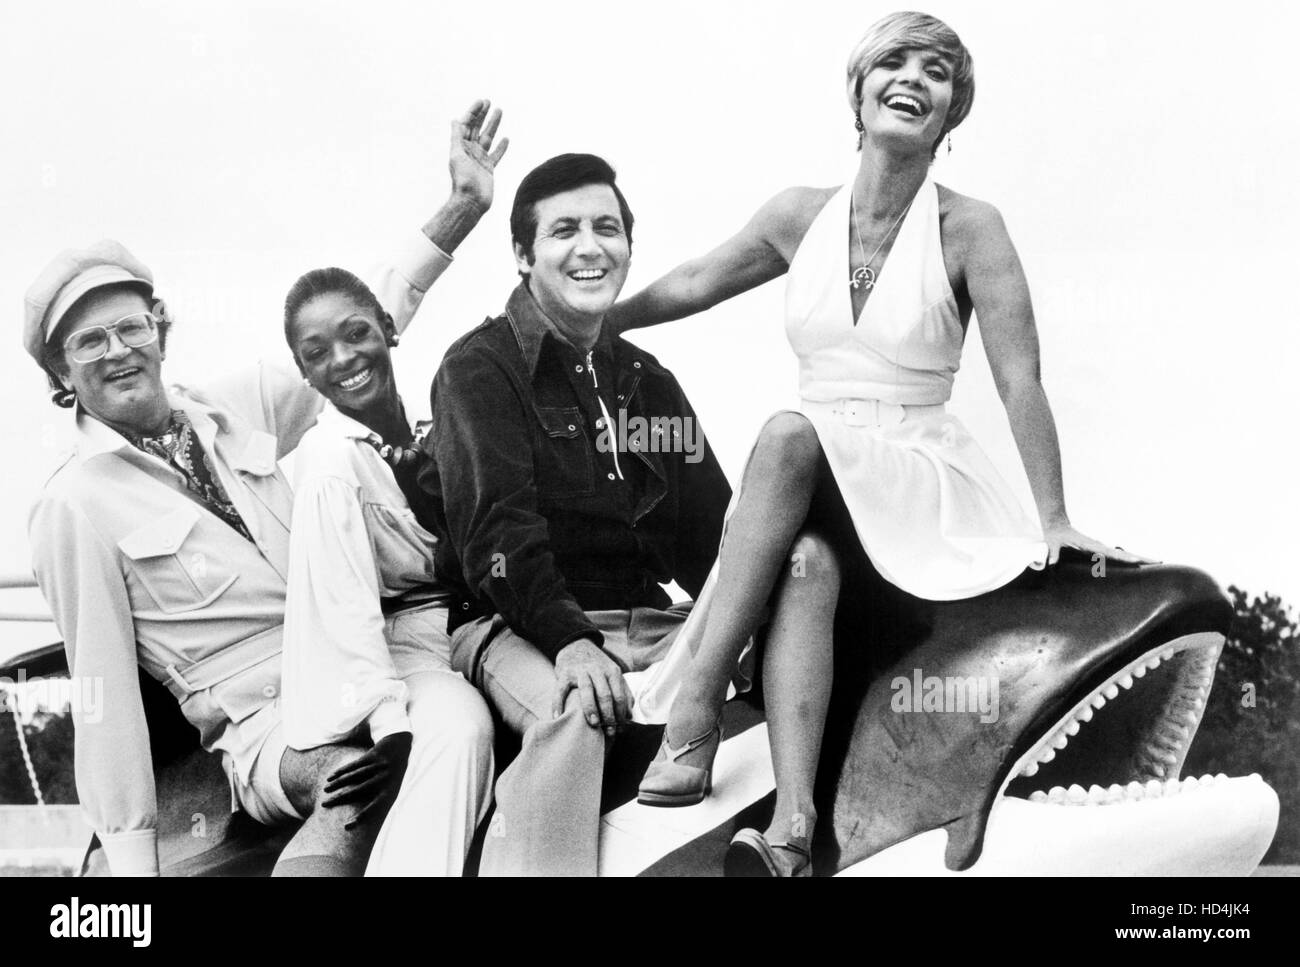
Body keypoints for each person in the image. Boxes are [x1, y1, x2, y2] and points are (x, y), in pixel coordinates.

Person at [612, 12, 1148, 876]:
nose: (913, 78)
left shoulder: (973, 227)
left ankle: (697, 706)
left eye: (937, 71)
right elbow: (696, 282)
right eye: (894, 61)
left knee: (785, 434)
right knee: (804, 566)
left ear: (951, 114)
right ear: (857, 93)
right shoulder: (797, 215)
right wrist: (598, 320)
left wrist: (1054, 516)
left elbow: (1021, 378)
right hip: (814, 485)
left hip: (917, 475)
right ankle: (791, 831)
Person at [25, 100, 505, 877]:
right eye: (89, 341)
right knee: (352, 774)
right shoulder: (71, 505)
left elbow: (353, 332)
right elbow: (101, 700)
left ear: (159, 327)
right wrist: (130, 870)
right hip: (265, 722)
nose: (118, 351)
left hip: (367, 656)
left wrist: (459, 211)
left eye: (131, 326)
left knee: (460, 727)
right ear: (61, 376)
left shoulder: (236, 403)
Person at [416, 153, 772, 876]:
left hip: (648, 623)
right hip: (515, 623)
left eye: (607, 228)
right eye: (564, 230)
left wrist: (761, 634)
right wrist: (571, 640)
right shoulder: (478, 369)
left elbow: (712, 534)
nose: (590, 247)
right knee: (575, 711)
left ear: (628, 248)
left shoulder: (646, 381)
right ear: (524, 254)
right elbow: (497, 539)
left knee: (799, 675)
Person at [279, 261, 503, 875]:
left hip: (486, 622)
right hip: (405, 644)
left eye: (357, 333)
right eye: (317, 351)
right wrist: (389, 723)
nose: (345, 358)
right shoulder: (328, 462)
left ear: (387, 328)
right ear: (304, 372)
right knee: (458, 733)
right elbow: (345, 604)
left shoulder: (438, 425)